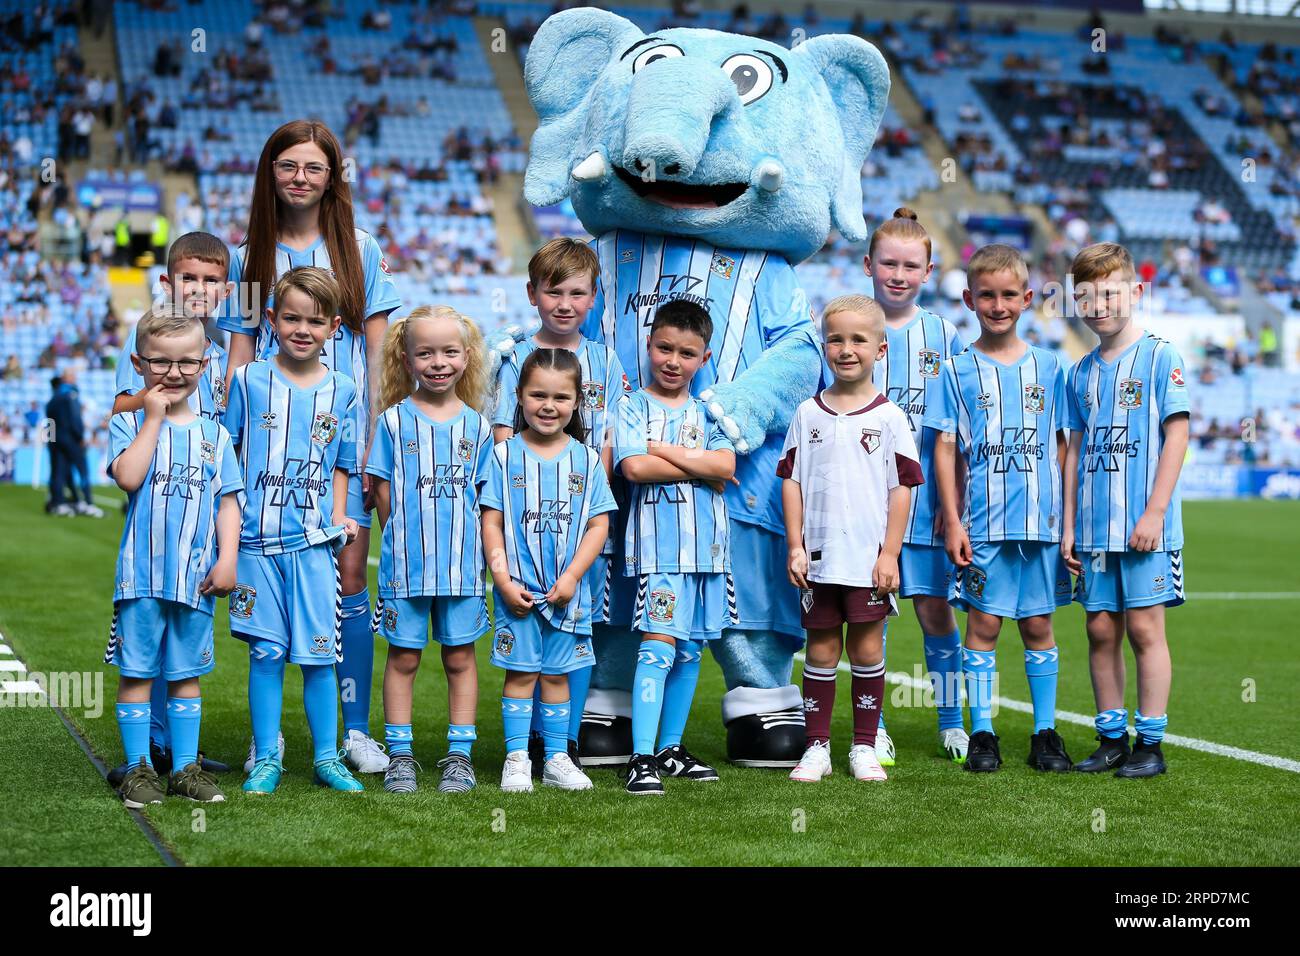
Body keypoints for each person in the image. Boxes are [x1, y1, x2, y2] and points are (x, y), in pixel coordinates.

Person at [219, 120, 401, 775]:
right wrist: (224, 448)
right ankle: (267, 744)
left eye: (313, 167)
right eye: (288, 166)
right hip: (268, 454)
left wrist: (377, 453)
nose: (300, 177)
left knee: (349, 579)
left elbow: (379, 351)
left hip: (339, 443)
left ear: (332, 176)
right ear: (270, 172)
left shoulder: (361, 248)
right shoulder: (250, 257)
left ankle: (352, 733)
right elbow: (240, 346)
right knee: (263, 580)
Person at [925, 244, 1073, 773]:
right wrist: (953, 518)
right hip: (984, 524)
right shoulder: (955, 371)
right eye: (986, 295)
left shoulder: (1052, 368)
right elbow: (945, 447)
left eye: (1009, 294)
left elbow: (1064, 445)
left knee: (1038, 627)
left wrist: (1068, 524)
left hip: (1043, 528)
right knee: (983, 626)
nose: (998, 304)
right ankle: (983, 733)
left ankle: (1045, 733)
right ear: (969, 299)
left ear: (1028, 298)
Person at [224, 267, 364, 795]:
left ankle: (328, 758)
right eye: (291, 318)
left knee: (319, 654)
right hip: (257, 546)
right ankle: (266, 757)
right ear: (271, 320)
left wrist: (340, 515)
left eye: (314, 320)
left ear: (333, 327)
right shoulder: (248, 380)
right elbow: (229, 454)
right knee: (265, 653)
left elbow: (343, 463)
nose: (302, 329)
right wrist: (229, 536)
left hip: (312, 548)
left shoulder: (344, 390)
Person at [492, 237, 629, 772]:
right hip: (526, 523)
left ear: (593, 298)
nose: (565, 303)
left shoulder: (605, 360)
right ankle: (520, 745)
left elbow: (610, 442)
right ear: (532, 293)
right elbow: (503, 436)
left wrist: (594, 502)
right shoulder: (515, 356)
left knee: (576, 629)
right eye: (554, 292)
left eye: (577, 293)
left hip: (580, 521)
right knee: (524, 624)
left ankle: (563, 744)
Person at [104, 307, 242, 807]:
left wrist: (228, 559)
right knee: (138, 673)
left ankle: (185, 769)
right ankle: (139, 770)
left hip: (195, 581)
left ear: (205, 365)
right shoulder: (129, 422)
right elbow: (128, 477)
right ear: (139, 364)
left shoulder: (216, 436)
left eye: (187, 362)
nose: (175, 373)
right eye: (161, 362)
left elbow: (229, 500)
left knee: (186, 676)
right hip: (140, 579)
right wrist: (153, 418)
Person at [1063, 242, 1189, 779]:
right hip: (1094, 529)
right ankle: (1111, 737)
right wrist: (1068, 527)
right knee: (1099, 630)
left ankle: (1151, 744)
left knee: (1143, 629)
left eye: (1110, 293)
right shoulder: (1080, 372)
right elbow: (1073, 452)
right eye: (1087, 296)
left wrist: (1155, 512)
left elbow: (1177, 434)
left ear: (1134, 292)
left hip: (1146, 529)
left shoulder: (1162, 355)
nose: (1099, 305)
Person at [782, 295, 920, 784]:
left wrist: (889, 553)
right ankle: (816, 747)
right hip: (818, 560)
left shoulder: (890, 418)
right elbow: (792, 480)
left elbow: (900, 488)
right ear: (824, 346)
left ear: (880, 349)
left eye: (858, 340)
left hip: (866, 561)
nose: (846, 349)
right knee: (820, 651)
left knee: (865, 650)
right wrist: (795, 545)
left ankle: (863, 746)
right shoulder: (807, 413)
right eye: (835, 339)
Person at [368, 307, 493, 795]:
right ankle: (400, 755)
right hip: (406, 571)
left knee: (460, 659)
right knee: (403, 659)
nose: (438, 362)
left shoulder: (478, 429)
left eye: (449, 352)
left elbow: (486, 502)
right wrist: (400, 539)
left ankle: (458, 756)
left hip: (462, 571)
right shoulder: (393, 424)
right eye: (426, 353)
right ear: (406, 356)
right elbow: (381, 493)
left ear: (466, 357)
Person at [480, 348, 617, 793]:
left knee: (557, 676)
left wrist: (574, 576)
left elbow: (599, 524)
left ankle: (557, 757)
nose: (548, 405)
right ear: (519, 397)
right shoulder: (502, 457)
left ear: (577, 402)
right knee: (520, 674)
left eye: (560, 397)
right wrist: (501, 579)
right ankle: (517, 757)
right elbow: (492, 521)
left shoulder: (588, 460)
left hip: (569, 594)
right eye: (538, 394)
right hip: (517, 594)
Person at [614, 301, 736, 795]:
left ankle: (669, 748)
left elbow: (726, 467)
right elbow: (633, 470)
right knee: (659, 648)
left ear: (703, 358)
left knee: (689, 651)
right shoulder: (631, 406)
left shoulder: (709, 410)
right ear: (649, 345)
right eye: (664, 348)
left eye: (686, 353)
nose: (672, 360)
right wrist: (699, 465)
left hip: (708, 553)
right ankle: (639, 757)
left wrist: (660, 449)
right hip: (661, 550)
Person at [862, 208, 968, 764]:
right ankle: (870, 726)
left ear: (929, 271)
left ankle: (952, 721)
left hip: (924, 501)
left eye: (910, 265)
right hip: (862, 502)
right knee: (870, 613)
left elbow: (954, 431)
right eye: (888, 263)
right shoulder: (851, 324)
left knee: (934, 613)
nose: (898, 274)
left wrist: (958, 510)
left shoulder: (943, 334)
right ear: (868, 264)